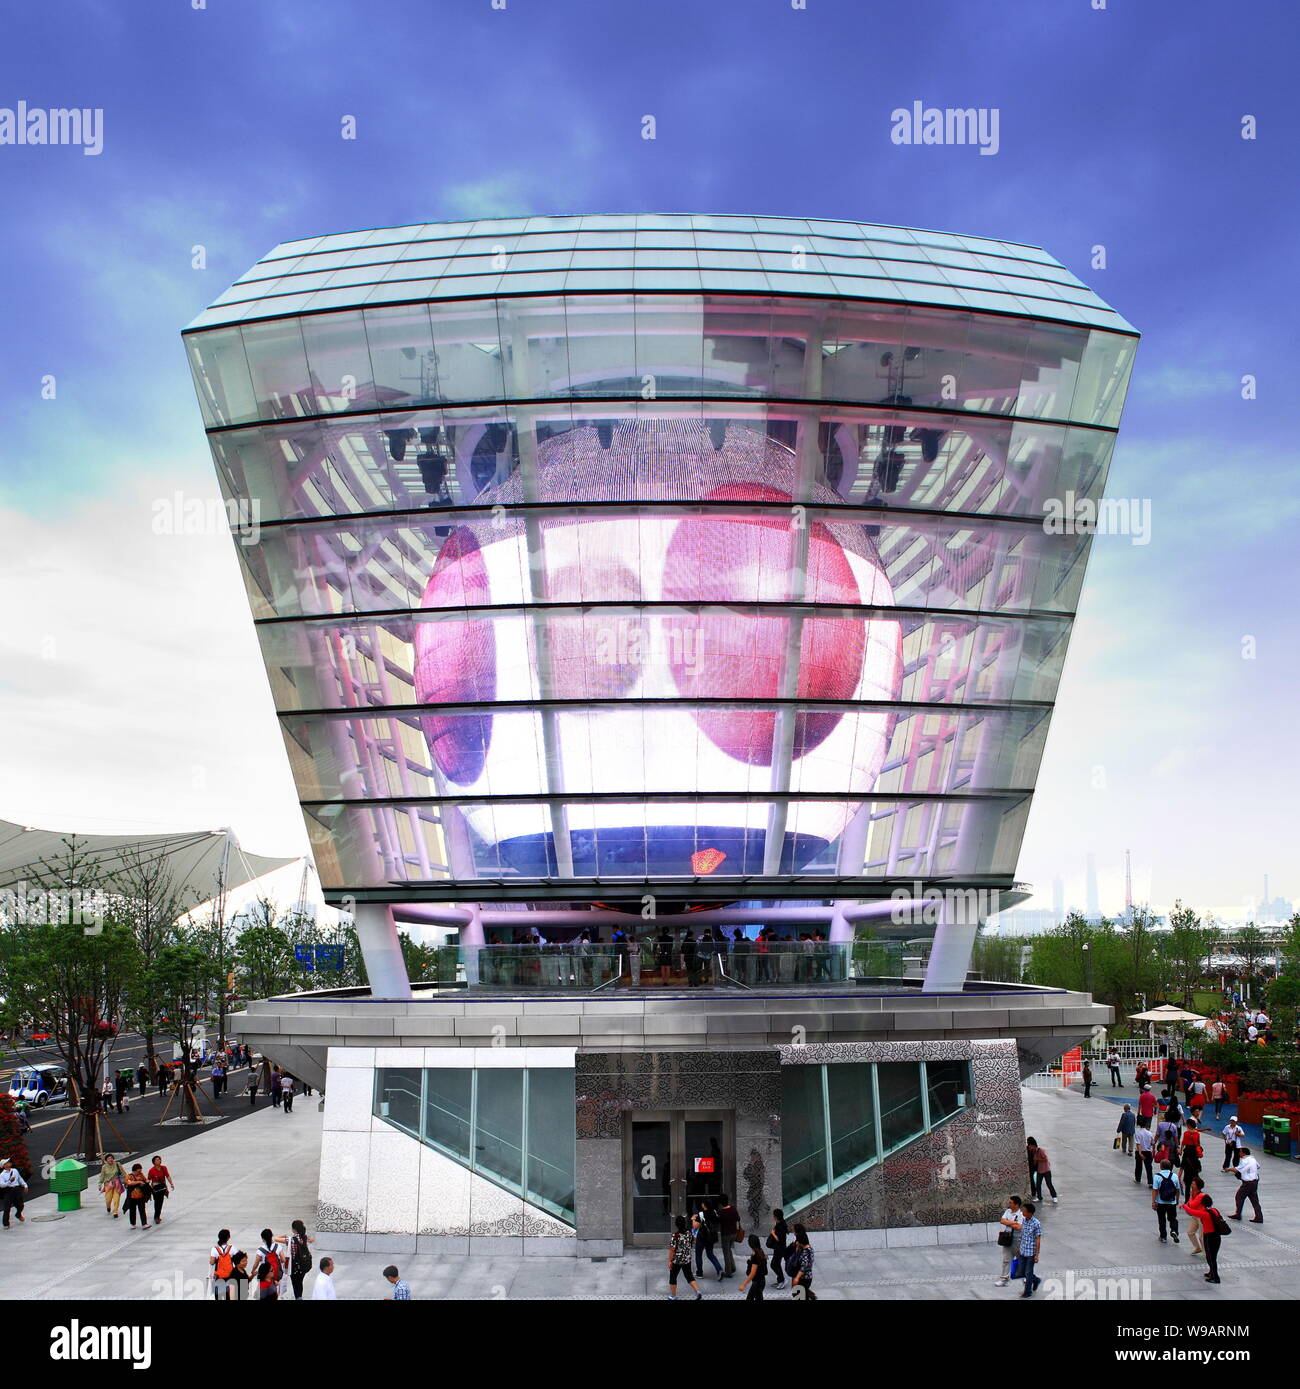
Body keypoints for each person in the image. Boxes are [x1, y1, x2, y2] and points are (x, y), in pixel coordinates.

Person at [1182, 1187, 1224, 1284]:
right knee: (1212, 1257)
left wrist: (1184, 1206)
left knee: (1210, 1258)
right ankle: (1211, 1273)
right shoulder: (1214, 1210)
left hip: (1209, 1237)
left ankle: (1215, 1277)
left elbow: (1192, 1211)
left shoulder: (1204, 1214)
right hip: (1217, 1236)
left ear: (1202, 1203)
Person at [667, 1215, 702, 1300]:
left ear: (676, 1224)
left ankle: (673, 1296)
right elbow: (692, 1242)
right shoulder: (689, 1233)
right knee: (689, 1276)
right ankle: (698, 1291)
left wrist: (670, 1261)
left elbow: (672, 1250)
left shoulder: (675, 1236)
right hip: (687, 1259)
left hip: (677, 1260)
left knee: (673, 1277)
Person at [1015, 1201, 1042, 1298]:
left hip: (1031, 1252)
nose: (1022, 1212)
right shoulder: (1024, 1220)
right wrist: (1018, 1247)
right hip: (1022, 1250)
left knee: (1028, 1272)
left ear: (1030, 1213)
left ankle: (1027, 1292)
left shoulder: (1036, 1223)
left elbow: (1038, 1239)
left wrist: (1037, 1255)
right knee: (1021, 1271)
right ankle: (1036, 1280)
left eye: (1024, 1211)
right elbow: (1022, 1234)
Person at [995, 1195, 1023, 1286]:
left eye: (1011, 1202)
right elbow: (1002, 1221)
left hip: (1017, 1239)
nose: (1009, 1204)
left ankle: (1026, 1277)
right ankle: (1004, 1279)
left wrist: (1008, 1222)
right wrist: (1014, 1222)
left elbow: (1019, 1227)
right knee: (1006, 1259)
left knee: (1021, 1259)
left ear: (1016, 1204)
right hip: (1007, 1238)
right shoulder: (1008, 1211)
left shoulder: (1021, 1214)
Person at [1228, 1148, 1263, 1222]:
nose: (1239, 1153)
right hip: (1254, 1182)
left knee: (1239, 1197)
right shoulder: (1253, 1159)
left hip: (1247, 1184)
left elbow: (1236, 1170)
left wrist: (1228, 1169)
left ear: (1243, 1153)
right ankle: (1259, 1217)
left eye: (1240, 1152)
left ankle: (1238, 1214)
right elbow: (1258, 1166)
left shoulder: (1244, 1161)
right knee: (1254, 1200)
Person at [692, 1201, 724, 1280]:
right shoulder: (714, 1212)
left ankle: (699, 1273)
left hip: (702, 1237)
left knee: (698, 1254)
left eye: (702, 1203)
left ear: (704, 1205)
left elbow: (695, 1226)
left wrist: (693, 1219)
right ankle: (719, 1269)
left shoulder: (701, 1214)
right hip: (710, 1237)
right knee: (710, 1254)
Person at [1151, 1164, 1182, 1244]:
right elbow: (1177, 1190)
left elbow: (1155, 1190)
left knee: (1162, 1219)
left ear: (1161, 1167)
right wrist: (1177, 1200)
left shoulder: (1157, 1176)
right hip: (1172, 1202)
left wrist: (1153, 1202)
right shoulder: (1174, 1176)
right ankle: (1174, 1230)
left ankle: (1163, 1236)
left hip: (1161, 1202)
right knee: (1173, 1218)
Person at [286, 1219, 316, 1299]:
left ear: (294, 1229)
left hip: (295, 1266)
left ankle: (298, 1297)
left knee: (295, 1283)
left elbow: (275, 1239)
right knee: (300, 1282)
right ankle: (300, 1296)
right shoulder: (304, 1237)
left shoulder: (291, 1240)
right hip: (304, 1264)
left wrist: (284, 1236)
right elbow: (312, 1240)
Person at [254, 1228, 286, 1299]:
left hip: (266, 1275)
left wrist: (253, 1270)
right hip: (276, 1274)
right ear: (272, 1236)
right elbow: (283, 1260)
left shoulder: (260, 1250)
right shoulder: (278, 1247)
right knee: (274, 1292)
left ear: (263, 1239)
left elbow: (256, 1263)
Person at [1026, 1137, 1058, 1203]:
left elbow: (1045, 1159)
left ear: (1033, 1145)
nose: (1029, 1147)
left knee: (1049, 1184)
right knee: (1038, 1185)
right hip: (1040, 1171)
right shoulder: (1033, 1152)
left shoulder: (1040, 1150)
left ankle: (1054, 1197)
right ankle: (1039, 1197)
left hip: (1046, 1171)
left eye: (1030, 1146)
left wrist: (1037, 1159)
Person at [737, 1234, 768, 1301]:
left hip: (757, 1283)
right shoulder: (760, 1251)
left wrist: (744, 1284)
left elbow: (752, 1273)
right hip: (762, 1281)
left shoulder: (755, 1256)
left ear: (750, 1244)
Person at [1178, 1119, 1204, 1199]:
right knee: (1195, 1181)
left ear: (1189, 1125)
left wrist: (1181, 1150)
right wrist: (1199, 1150)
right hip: (1194, 1153)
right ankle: (1195, 1197)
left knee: (1188, 1184)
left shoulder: (1186, 1133)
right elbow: (1198, 1143)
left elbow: (1183, 1143)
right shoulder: (1197, 1133)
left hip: (1188, 1152)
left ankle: (1187, 1199)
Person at [716, 1193, 740, 1277]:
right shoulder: (733, 1209)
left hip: (725, 1234)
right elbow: (738, 1218)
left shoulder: (721, 1212)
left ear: (721, 1203)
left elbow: (718, 1222)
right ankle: (732, 1267)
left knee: (726, 1252)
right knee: (729, 1250)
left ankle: (728, 1272)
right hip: (734, 1233)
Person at [789, 1223, 815, 1299]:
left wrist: (797, 1278)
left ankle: (808, 1294)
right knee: (799, 1295)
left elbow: (804, 1267)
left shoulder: (807, 1252)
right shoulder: (803, 1249)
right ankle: (809, 1294)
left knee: (799, 1296)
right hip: (802, 1278)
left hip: (804, 1278)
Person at [0, 1159, 28, 1227]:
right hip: (8, 1191)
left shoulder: (15, 1170)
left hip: (17, 1189)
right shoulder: (2, 1175)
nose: (9, 1163)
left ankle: (18, 1214)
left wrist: (25, 1185)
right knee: (7, 1208)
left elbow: (19, 1178)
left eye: (9, 1162)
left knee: (21, 1205)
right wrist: (10, 1181)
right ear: (4, 1165)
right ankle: (6, 1224)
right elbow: (2, 1185)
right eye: (7, 1162)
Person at [122, 1163, 151, 1228]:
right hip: (132, 1197)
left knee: (142, 1209)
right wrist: (139, 1182)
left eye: (140, 1170)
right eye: (138, 1171)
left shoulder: (141, 1175)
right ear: (134, 1170)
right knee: (132, 1210)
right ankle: (132, 1224)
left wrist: (146, 1182)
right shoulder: (129, 1176)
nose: (140, 1172)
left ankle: (144, 1224)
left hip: (141, 1196)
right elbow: (129, 1182)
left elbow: (145, 1180)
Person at [767, 1208, 789, 1290]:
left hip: (780, 1248)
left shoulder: (780, 1226)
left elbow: (778, 1239)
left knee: (774, 1264)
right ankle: (780, 1280)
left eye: (774, 1215)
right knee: (776, 1264)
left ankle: (782, 1280)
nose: (773, 1217)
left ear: (776, 1217)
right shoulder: (781, 1223)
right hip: (779, 1248)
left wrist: (772, 1233)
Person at [147, 1155, 173, 1224]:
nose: (159, 1161)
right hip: (155, 1188)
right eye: (157, 1160)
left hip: (162, 1187)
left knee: (160, 1202)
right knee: (157, 1202)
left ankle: (157, 1216)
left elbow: (167, 1176)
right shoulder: (151, 1170)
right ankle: (156, 1217)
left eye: (159, 1159)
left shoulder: (164, 1168)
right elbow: (148, 1179)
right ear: (154, 1162)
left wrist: (171, 1183)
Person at [1183, 1175, 1205, 1257]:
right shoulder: (1192, 1193)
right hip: (1195, 1215)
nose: (1191, 1185)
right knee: (1190, 1232)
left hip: (1202, 1217)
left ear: (1198, 1186)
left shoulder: (1201, 1195)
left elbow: (1192, 1204)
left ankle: (1206, 1252)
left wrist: (1186, 1205)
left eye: (1193, 1184)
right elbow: (1189, 1202)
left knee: (1202, 1236)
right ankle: (1197, 1247)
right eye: (1192, 1184)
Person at [210, 1229, 235, 1299]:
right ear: (228, 1237)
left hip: (219, 1276)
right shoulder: (232, 1248)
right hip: (230, 1275)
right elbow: (237, 1261)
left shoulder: (214, 1249)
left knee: (218, 1296)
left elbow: (212, 1262)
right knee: (229, 1296)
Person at [98, 1153, 125, 1217]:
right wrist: (100, 1184)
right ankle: (108, 1206)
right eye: (108, 1158)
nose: (110, 1159)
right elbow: (102, 1176)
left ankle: (115, 1212)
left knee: (116, 1198)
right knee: (108, 1199)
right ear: (106, 1160)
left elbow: (123, 1172)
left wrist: (127, 1179)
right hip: (108, 1184)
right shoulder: (104, 1167)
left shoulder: (117, 1164)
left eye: (111, 1158)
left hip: (117, 1184)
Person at [1133, 1121, 1155, 1187]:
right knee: (1149, 1167)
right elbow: (1152, 1143)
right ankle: (1150, 1182)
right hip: (1148, 1152)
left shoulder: (1138, 1133)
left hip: (1139, 1152)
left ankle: (1138, 1179)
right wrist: (1152, 1150)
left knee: (1138, 1166)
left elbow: (1138, 1144)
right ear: (1146, 1125)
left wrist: (1140, 1153)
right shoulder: (1149, 1133)